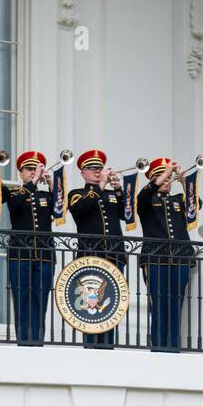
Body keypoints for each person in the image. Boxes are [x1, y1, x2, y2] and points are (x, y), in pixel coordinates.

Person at [135, 157, 198, 352]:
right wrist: (163, 175)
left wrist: (184, 180)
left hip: (180, 258)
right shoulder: (147, 201)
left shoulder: (179, 199)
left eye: (169, 179)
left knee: (175, 303)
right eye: (164, 178)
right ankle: (159, 346)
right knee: (159, 302)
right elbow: (142, 197)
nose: (167, 182)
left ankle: (173, 347)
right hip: (155, 258)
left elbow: (197, 204)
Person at [67, 148, 126, 349]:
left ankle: (108, 346)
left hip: (114, 256)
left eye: (100, 168)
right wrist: (100, 186)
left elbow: (127, 215)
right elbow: (79, 210)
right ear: (83, 173)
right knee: (90, 307)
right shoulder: (77, 194)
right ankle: (90, 347)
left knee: (111, 305)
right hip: (90, 257)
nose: (97, 171)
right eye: (92, 169)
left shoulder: (110, 194)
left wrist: (118, 190)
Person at [2, 150, 56, 345]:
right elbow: (15, 206)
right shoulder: (16, 193)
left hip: (44, 255)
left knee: (40, 300)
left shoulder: (46, 196)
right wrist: (33, 183)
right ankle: (24, 341)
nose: (33, 172)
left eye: (36, 169)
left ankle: (37, 341)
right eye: (29, 169)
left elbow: (60, 212)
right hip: (20, 255)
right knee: (22, 299)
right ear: (21, 173)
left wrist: (52, 185)